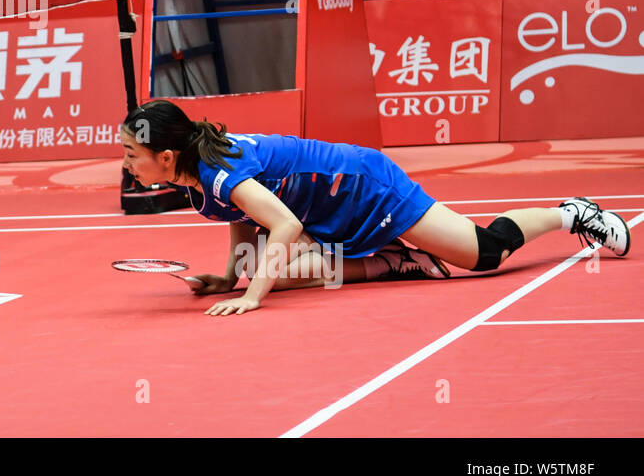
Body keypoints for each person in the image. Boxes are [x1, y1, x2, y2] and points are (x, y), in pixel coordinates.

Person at [119, 100, 630, 316]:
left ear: (164, 156)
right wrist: (232, 277)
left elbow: (283, 222)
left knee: (483, 254)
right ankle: (397, 259)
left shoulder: (217, 171)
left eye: (130, 155)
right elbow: (243, 218)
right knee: (279, 272)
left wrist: (250, 296)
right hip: (329, 207)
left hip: (363, 186)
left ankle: (571, 213)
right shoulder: (193, 174)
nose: (125, 165)